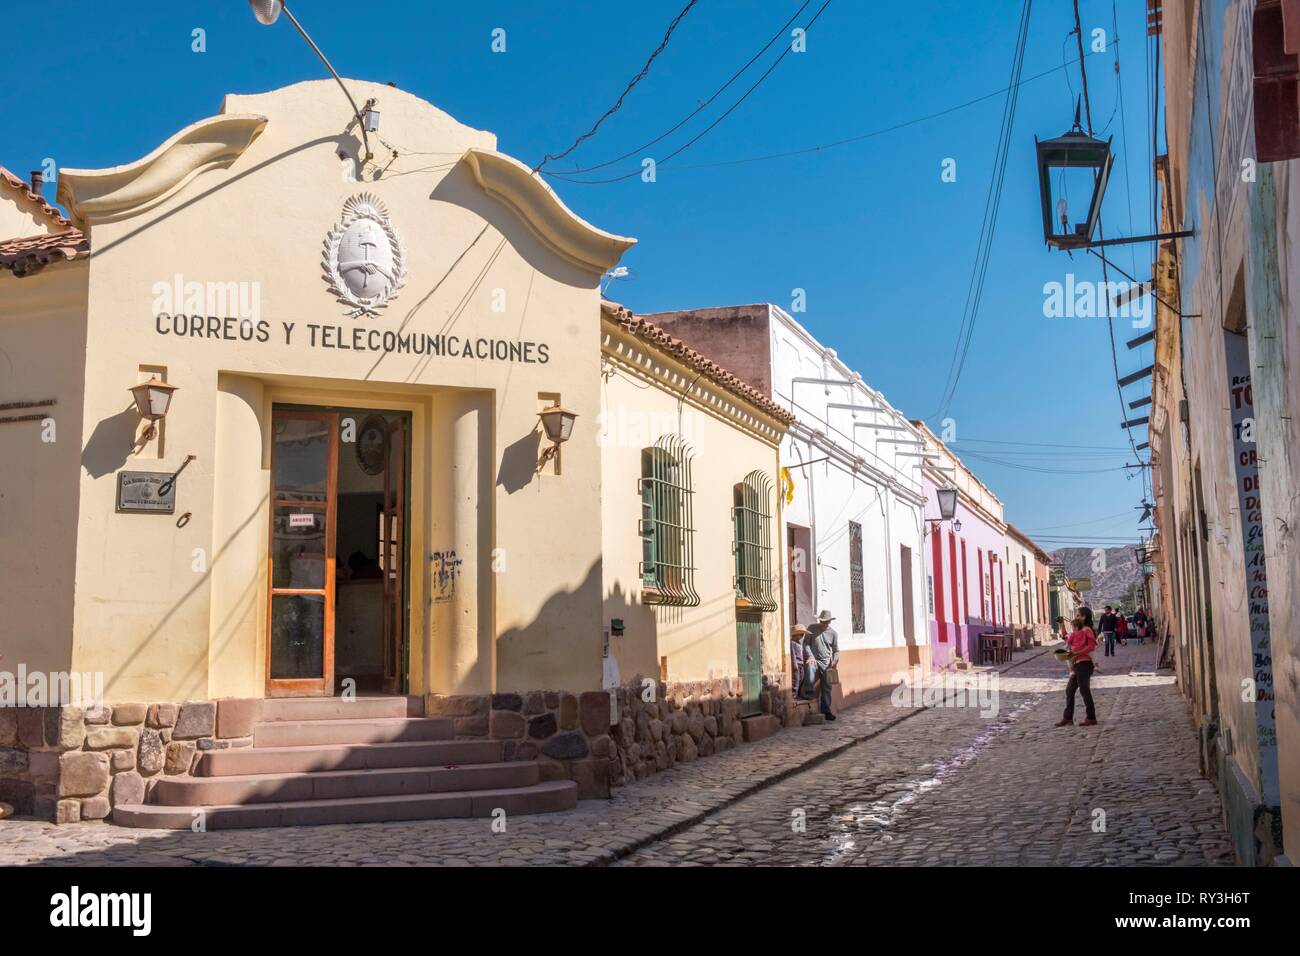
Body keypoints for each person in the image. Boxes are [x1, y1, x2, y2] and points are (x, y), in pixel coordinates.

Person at [1056, 606, 1099, 727]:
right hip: (1076, 664)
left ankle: (1091, 717)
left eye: (1078, 615)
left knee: (1084, 690)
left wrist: (1076, 653)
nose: (1076, 617)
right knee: (1069, 690)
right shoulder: (1078, 630)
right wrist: (1061, 624)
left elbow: (1091, 647)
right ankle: (1068, 718)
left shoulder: (1087, 630)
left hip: (1085, 664)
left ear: (1084, 617)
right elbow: (1066, 638)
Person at [804, 610, 841, 721]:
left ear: (829, 622)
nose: (823, 624)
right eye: (822, 621)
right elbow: (805, 643)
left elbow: (836, 650)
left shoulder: (833, 634)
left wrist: (834, 661)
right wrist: (810, 656)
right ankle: (809, 691)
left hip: (827, 663)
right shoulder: (811, 628)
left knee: (827, 688)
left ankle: (826, 710)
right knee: (810, 666)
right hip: (814, 660)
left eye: (826, 622)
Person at [789, 625, 809, 698]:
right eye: (801, 634)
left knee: (802, 679)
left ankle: (799, 694)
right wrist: (795, 664)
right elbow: (793, 654)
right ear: (796, 634)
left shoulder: (799, 643)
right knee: (796, 680)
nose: (802, 636)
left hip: (801, 663)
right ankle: (794, 695)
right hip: (797, 664)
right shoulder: (792, 643)